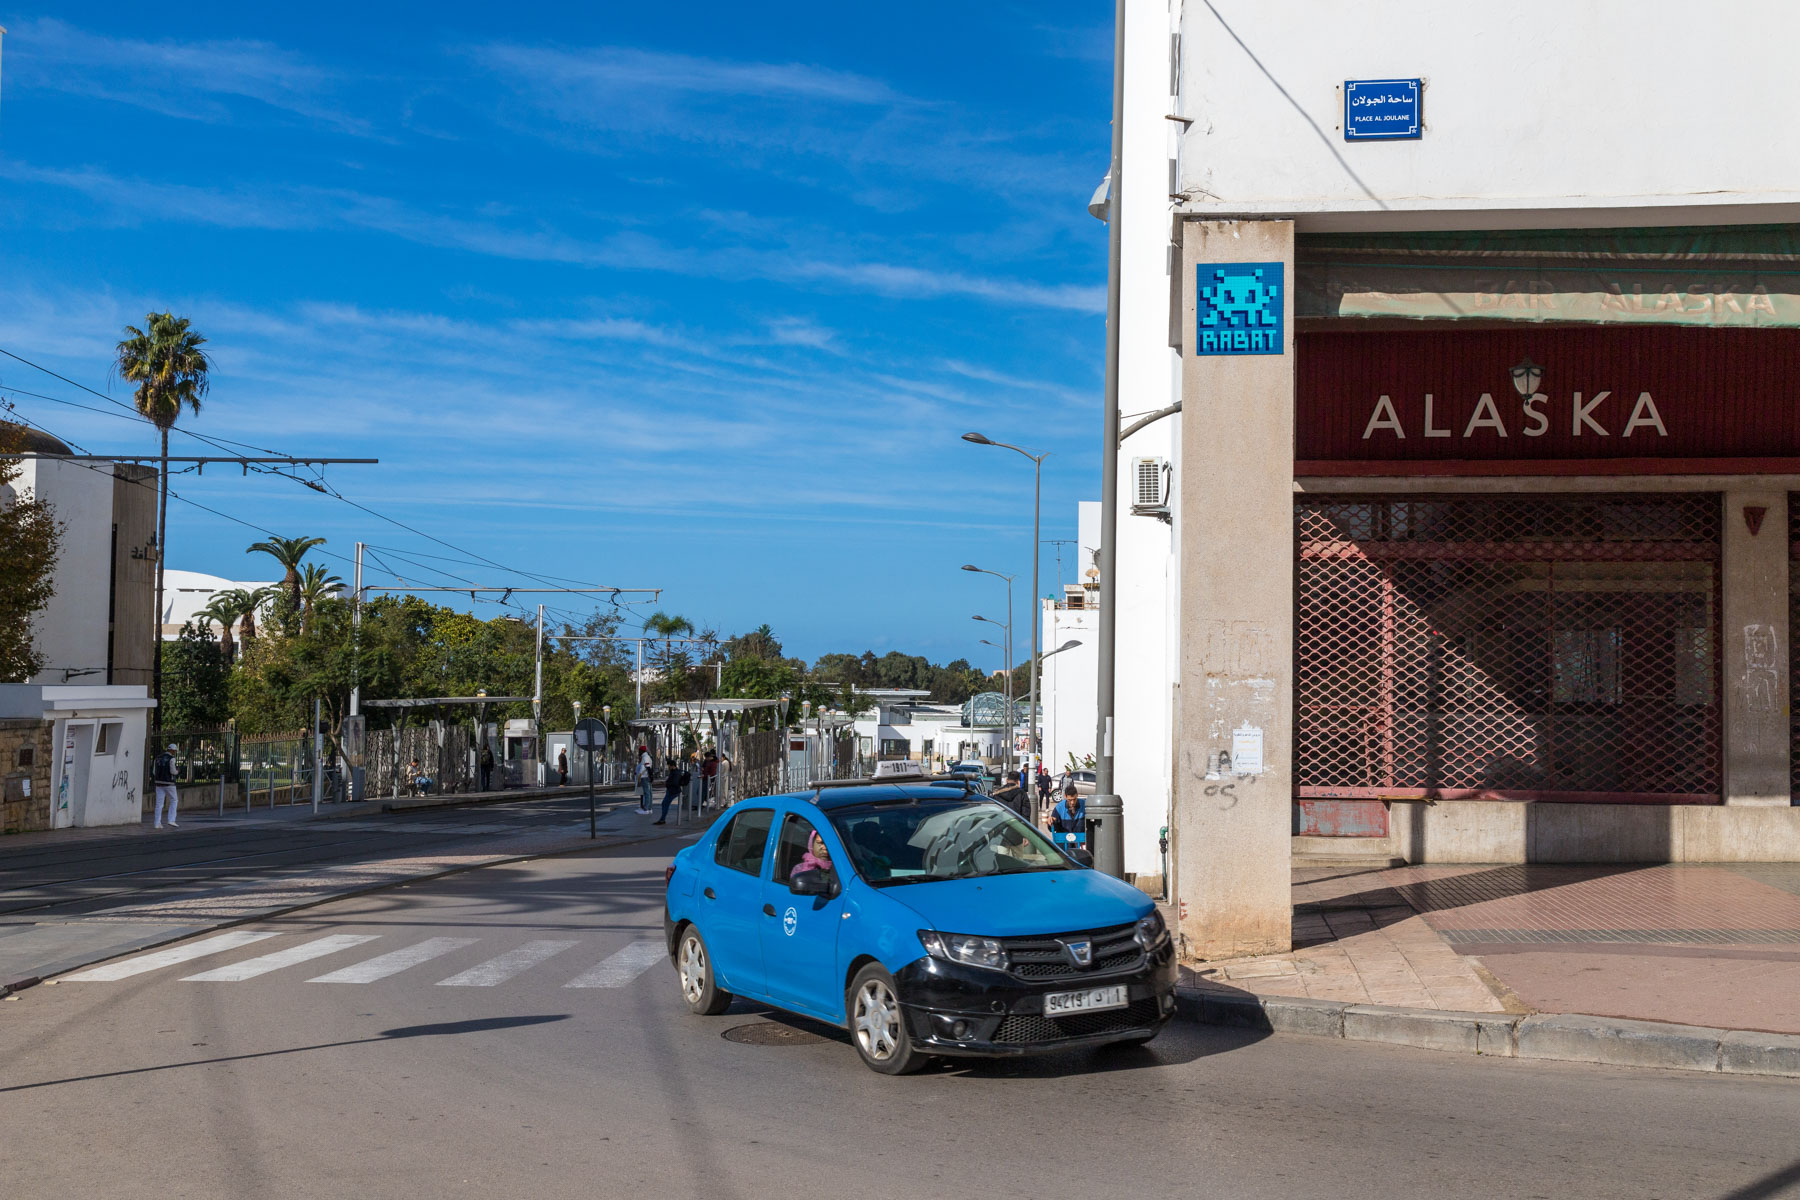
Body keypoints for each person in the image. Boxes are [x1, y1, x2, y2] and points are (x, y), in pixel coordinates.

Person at [653, 758, 690, 826]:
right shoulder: (674, 772)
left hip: (673, 791)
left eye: (669, 766)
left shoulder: (676, 773)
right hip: (671, 790)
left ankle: (662, 819)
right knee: (665, 804)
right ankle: (662, 819)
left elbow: (675, 783)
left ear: (672, 766)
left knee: (665, 804)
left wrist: (666, 784)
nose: (668, 767)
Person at [152, 743, 179, 829]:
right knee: (174, 800)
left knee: (159, 804)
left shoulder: (157, 758)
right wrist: (177, 771)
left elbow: (154, 772)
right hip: (169, 783)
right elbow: (173, 771)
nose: (175, 752)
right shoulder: (172, 759)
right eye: (174, 751)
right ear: (172, 750)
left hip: (158, 783)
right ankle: (171, 820)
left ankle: (157, 823)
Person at [635, 745, 653, 814]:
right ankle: (649, 808)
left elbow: (648, 767)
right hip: (647, 776)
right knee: (649, 793)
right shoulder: (647, 757)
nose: (639, 752)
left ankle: (646, 809)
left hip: (645, 777)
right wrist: (651, 776)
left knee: (647, 793)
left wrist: (650, 776)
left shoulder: (645, 757)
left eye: (639, 750)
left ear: (642, 751)